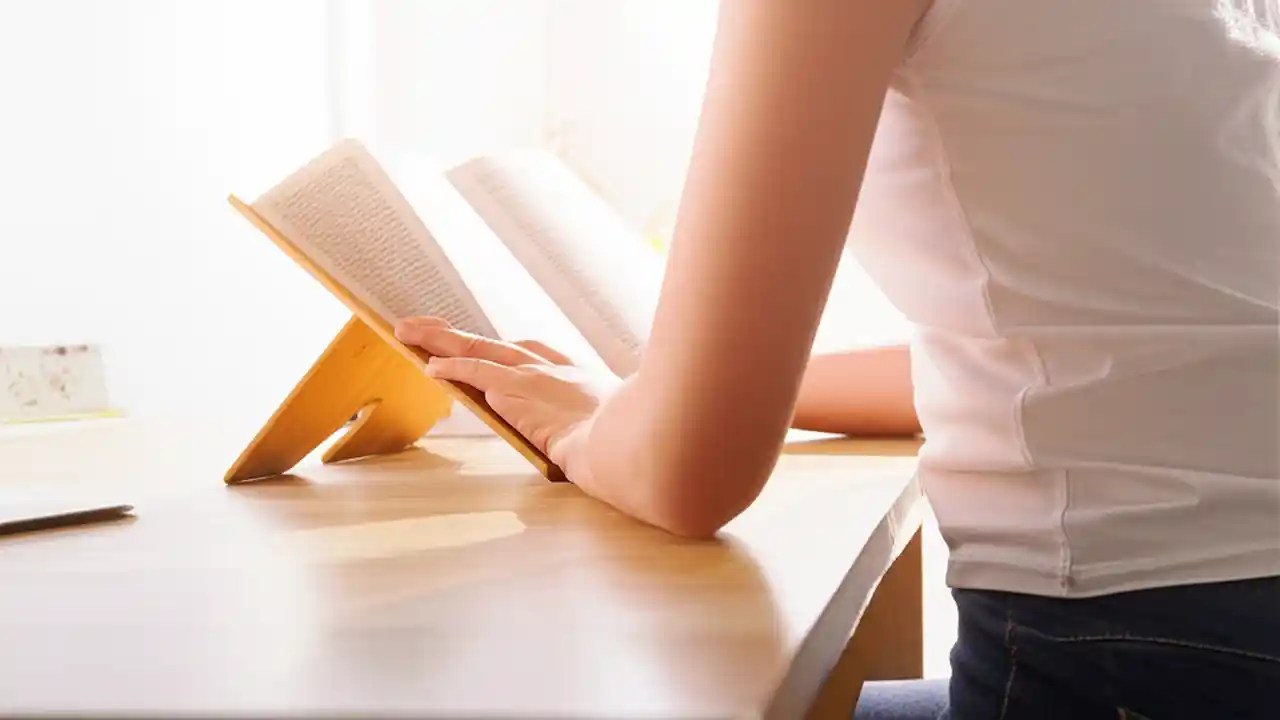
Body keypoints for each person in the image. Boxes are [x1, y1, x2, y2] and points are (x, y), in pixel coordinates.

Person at [394, 1, 1280, 717]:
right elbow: (1112, 350)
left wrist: (591, 429)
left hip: (1138, 646)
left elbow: (689, 477)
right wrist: (689, 392)